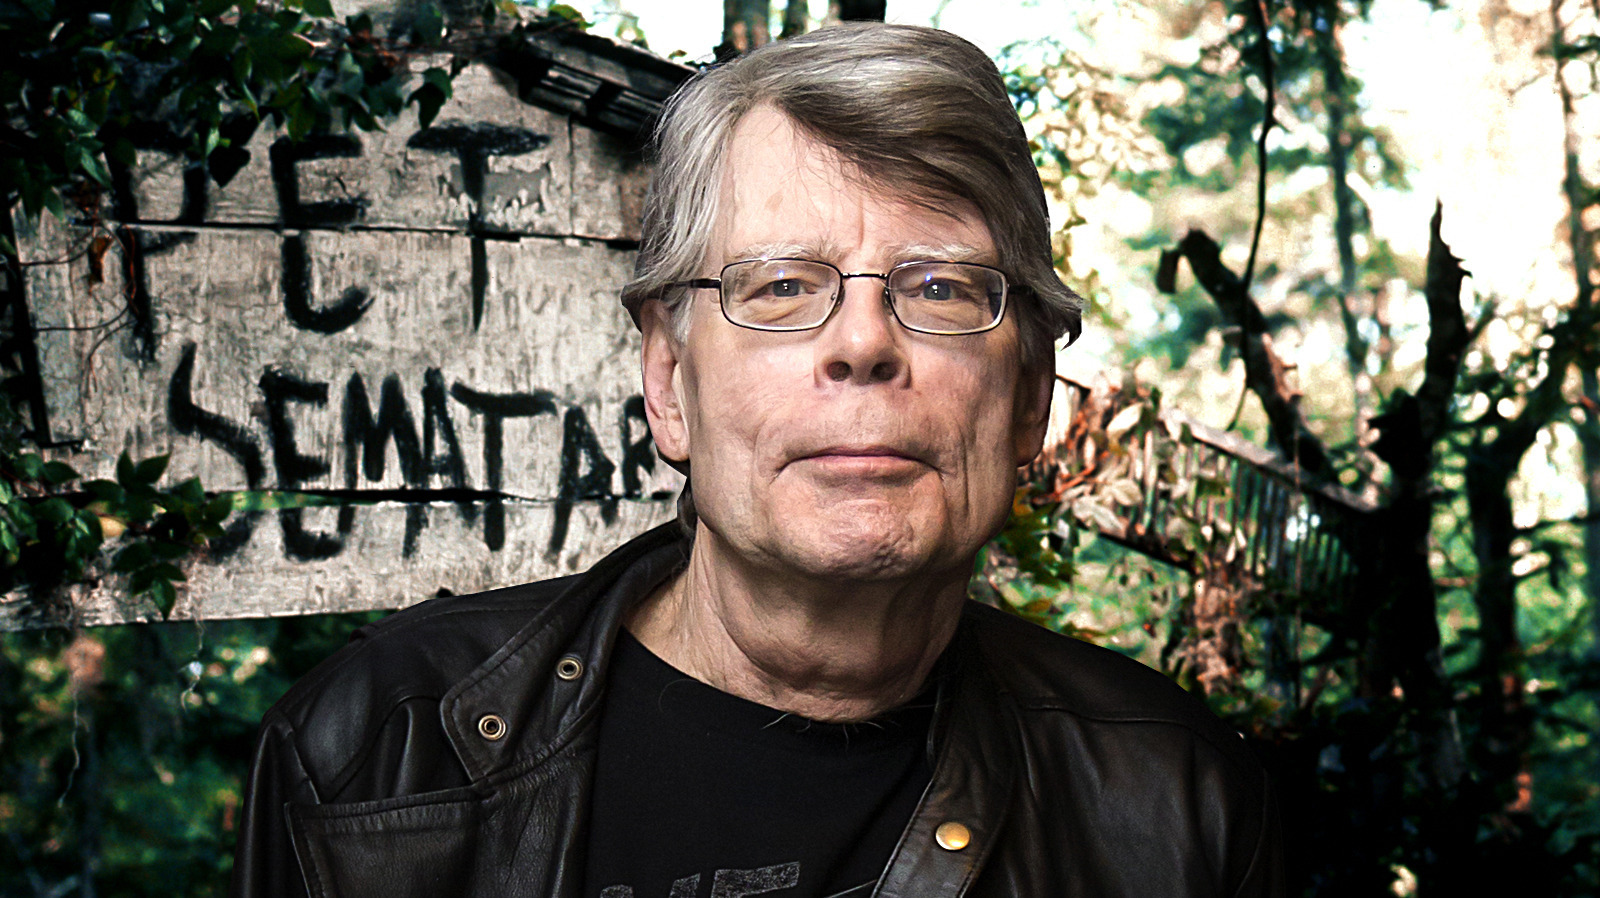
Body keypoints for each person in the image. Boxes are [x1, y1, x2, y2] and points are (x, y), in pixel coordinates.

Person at [231, 22, 1282, 898]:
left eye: (940, 288)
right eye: (780, 286)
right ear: (668, 381)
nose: (863, 342)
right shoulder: (371, 760)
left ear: (1029, 400)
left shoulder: (1177, 808)